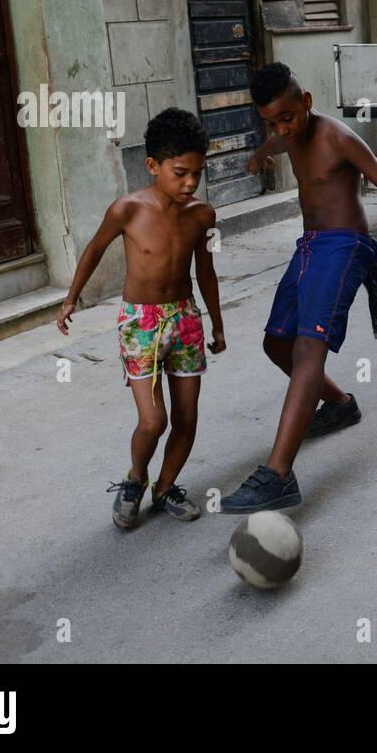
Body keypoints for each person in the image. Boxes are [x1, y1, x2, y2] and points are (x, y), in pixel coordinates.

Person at [219, 63, 377, 513]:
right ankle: (339, 404)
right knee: (275, 343)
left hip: (344, 246)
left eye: (288, 117)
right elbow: (280, 140)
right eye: (271, 122)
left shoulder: (336, 137)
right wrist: (263, 151)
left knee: (307, 347)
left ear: (306, 102)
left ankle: (278, 474)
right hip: (310, 246)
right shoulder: (287, 134)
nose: (283, 128)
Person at [56, 108, 225, 529]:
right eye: (180, 172)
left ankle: (165, 487)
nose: (190, 183)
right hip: (141, 323)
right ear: (152, 166)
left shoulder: (202, 215)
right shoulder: (128, 210)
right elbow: (95, 248)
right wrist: (71, 298)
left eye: (197, 174)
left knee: (188, 417)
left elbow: (205, 271)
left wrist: (217, 323)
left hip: (185, 318)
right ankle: (136, 480)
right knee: (154, 420)